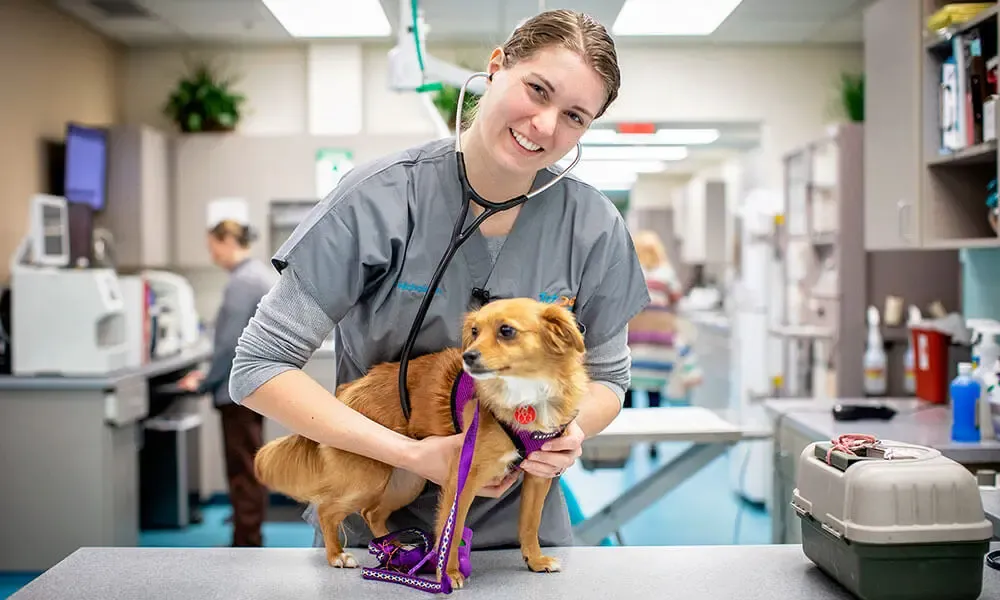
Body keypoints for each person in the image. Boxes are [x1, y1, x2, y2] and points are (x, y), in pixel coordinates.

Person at [228, 9, 650, 551]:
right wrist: (410, 456)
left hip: (518, 543)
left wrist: (567, 433)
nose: (546, 125)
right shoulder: (377, 200)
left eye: (574, 116)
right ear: (496, 67)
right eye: (537, 90)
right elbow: (257, 368)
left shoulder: (593, 226)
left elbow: (610, 378)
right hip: (377, 535)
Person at [178, 219, 276, 547]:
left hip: (237, 391)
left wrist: (205, 380)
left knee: (242, 468)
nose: (212, 255)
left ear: (228, 241)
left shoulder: (243, 282)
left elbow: (229, 345)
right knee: (249, 463)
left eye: (212, 246)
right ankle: (248, 534)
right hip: (252, 388)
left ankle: (246, 541)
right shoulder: (258, 275)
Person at [624, 230, 701, 413]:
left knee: (627, 397)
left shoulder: (628, 275)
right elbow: (677, 307)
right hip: (660, 348)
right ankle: (653, 440)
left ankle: (626, 439)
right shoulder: (667, 276)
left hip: (632, 346)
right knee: (655, 399)